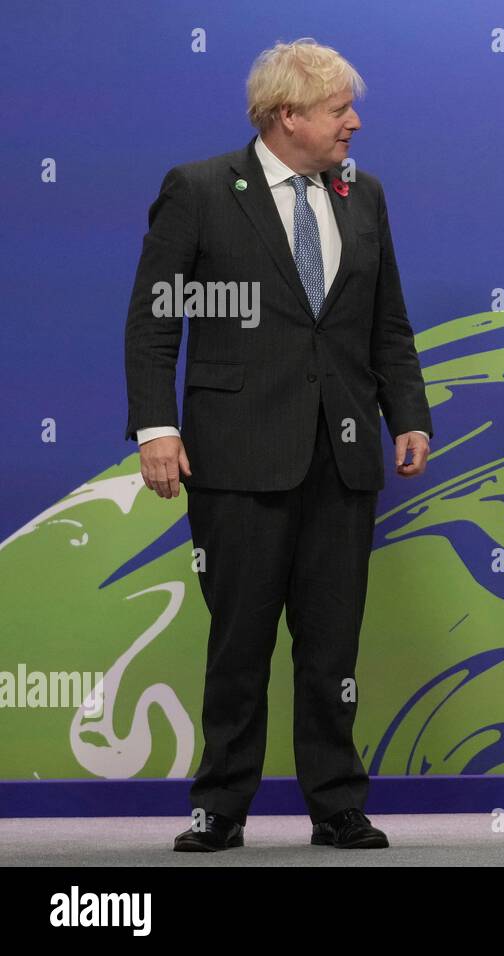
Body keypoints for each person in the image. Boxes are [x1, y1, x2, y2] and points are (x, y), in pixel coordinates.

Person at [124, 38, 431, 851]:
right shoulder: (198, 190)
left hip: (343, 454)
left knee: (334, 645)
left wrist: (411, 414)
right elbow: (156, 320)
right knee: (240, 643)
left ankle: (336, 803)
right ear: (287, 115)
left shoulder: (363, 195)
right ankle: (220, 806)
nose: (354, 123)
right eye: (339, 110)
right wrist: (157, 428)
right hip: (237, 455)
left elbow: (386, 322)